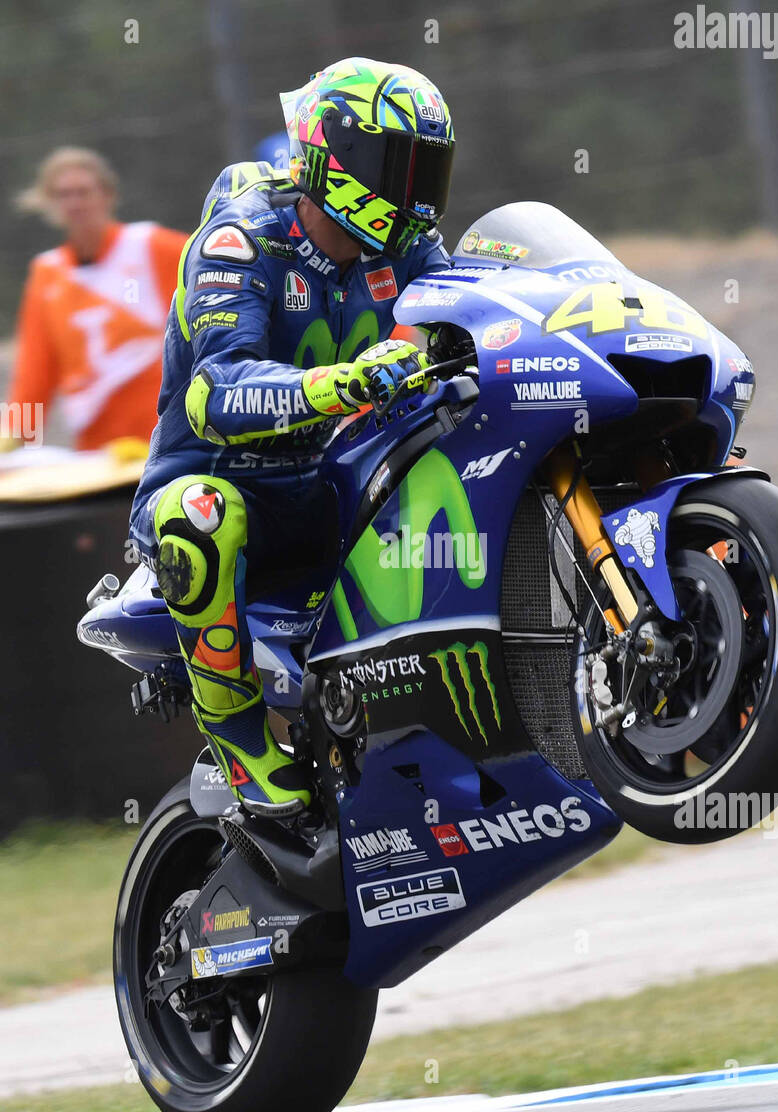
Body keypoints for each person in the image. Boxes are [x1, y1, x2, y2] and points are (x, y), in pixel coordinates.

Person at [130, 58, 455, 821]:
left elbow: (469, 323)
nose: (415, 191)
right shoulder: (242, 241)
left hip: (334, 490)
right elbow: (215, 393)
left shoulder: (408, 250)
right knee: (198, 513)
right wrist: (345, 382)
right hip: (222, 485)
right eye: (395, 165)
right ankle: (243, 747)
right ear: (333, 156)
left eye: (427, 170)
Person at [7, 148, 187, 452]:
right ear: (49, 203)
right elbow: (35, 369)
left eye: (83, 192)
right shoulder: (47, 272)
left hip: (164, 437)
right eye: (63, 194)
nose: (74, 203)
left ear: (107, 194)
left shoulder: (152, 245)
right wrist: (14, 435)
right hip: (96, 450)